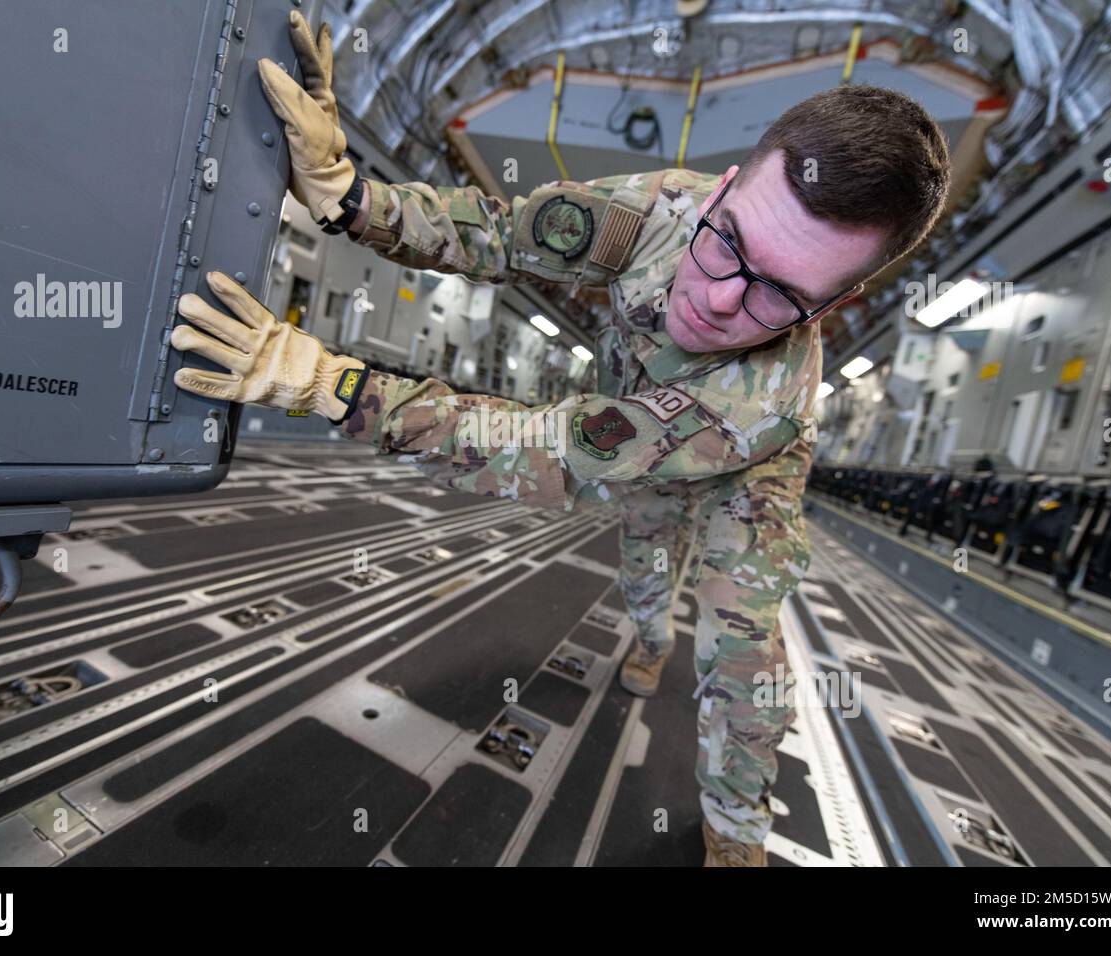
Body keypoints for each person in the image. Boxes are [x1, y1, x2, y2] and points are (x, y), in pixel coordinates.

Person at [169, 12, 951, 866]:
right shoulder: (660, 209)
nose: (723, 299)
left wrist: (332, 385)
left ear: (828, 310)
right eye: (727, 242)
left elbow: (546, 450)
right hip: (639, 412)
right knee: (648, 559)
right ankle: (651, 641)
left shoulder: (752, 398)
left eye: (777, 296)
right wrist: (353, 199)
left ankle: (735, 830)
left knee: (741, 646)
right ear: (721, 187)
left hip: (742, 464)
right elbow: (506, 234)